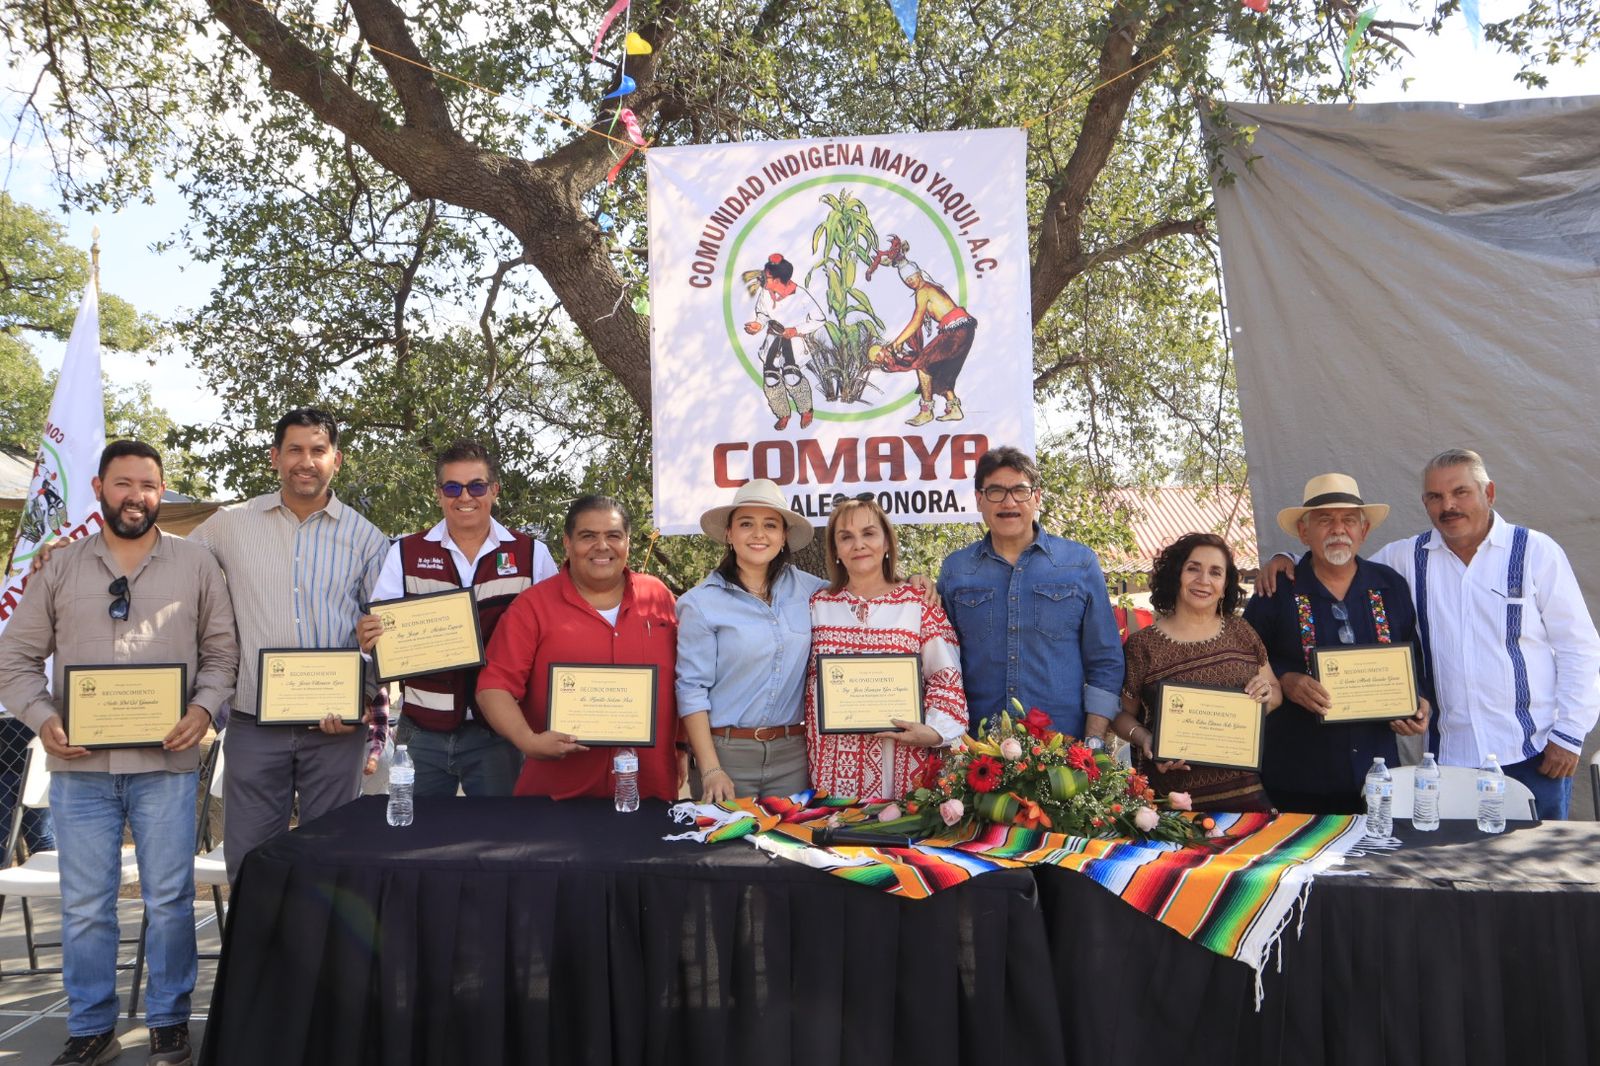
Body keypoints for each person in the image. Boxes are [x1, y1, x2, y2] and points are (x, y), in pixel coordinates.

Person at [0, 440, 238, 1066]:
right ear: (99, 486)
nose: (137, 496)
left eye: (149, 486)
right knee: (84, 906)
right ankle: (90, 1026)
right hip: (80, 769)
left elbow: (222, 654)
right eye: (124, 483)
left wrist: (202, 708)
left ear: (162, 491)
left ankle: (168, 1022)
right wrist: (44, 719)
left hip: (166, 765)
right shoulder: (57, 566)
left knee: (168, 897)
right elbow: (15, 660)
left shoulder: (197, 565)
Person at [1258, 450, 1600, 819]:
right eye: (1435, 497)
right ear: (1424, 503)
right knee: (1456, 871)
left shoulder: (1535, 552)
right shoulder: (1407, 559)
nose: (1448, 505)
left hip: (1532, 754)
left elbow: (1577, 647)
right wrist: (1287, 560)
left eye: (1460, 492)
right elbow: (1338, 560)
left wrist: (1569, 735)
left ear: (1489, 494)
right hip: (1450, 760)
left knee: (1538, 873)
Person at [189, 408, 390, 883]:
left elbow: (387, 632)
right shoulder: (229, 524)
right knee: (253, 863)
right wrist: (80, 552)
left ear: (335, 460)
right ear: (275, 457)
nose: (307, 461)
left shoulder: (366, 537)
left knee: (333, 861)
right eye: (295, 450)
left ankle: (322, 958)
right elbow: (166, 565)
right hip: (254, 724)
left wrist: (362, 699)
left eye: (318, 451)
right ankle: (258, 958)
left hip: (336, 729)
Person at [356, 440, 556, 797]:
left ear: (494, 490)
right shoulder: (405, 552)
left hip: (499, 733)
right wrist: (370, 638)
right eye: (453, 487)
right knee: (417, 841)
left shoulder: (531, 553)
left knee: (498, 841)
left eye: (476, 486)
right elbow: (379, 639)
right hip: (422, 731)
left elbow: (553, 635)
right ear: (438, 494)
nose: (465, 496)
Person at [1244, 474, 1430, 814]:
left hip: (1380, 775)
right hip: (1297, 777)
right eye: (1325, 520)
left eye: (1348, 520)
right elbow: (1243, 660)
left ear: (1364, 531)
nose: (1338, 529)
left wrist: (1418, 705)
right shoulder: (1275, 591)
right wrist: (1284, 678)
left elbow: (1414, 663)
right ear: (1303, 532)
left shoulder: (1390, 587)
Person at [476, 495, 680, 800]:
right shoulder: (533, 606)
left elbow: (688, 677)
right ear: (568, 544)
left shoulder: (658, 597)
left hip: (648, 793)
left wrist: (683, 744)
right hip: (557, 799)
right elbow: (493, 687)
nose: (602, 546)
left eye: (613, 536)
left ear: (627, 543)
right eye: (588, 536)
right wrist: (528, 741)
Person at [936, 446, 1124, 744]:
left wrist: (1093, 743)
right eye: (995, 491)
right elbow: (939, 662)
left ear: (1036, 497)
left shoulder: (1079, 564)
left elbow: (1106, 661)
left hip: (1063, 750)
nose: (1009, 502)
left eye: (1020, 491)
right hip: (976, 750)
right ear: (979, 499)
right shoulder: (956, 570)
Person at [805, 497, 967, 799]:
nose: (858, 545)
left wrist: (933, 732)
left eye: (869, 533)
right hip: (832, 767)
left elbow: (946, 678)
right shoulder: (817, 605)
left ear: (887, 542)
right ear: (836, 550)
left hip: (906, 763)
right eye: (846, 537)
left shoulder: (917, 604)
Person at [1110, 533, 1280, 812]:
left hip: (1244, 800)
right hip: (1168, 807)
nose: (1203, 580)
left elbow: (1275, 693)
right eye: (1193, 568)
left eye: (1215, 572)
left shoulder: (1242, 632)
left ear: (1225, 586)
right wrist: (1145, 739)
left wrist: (1267, 692)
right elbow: (1119, 715)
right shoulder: (1143, 645)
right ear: (1176, 575)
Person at [675, 480, 819, 802]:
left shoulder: (812, 591)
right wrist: (711, 769)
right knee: (728, 848)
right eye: (746, 524)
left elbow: (865, 593)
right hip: (726, 755)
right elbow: (691, 689)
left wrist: (910, 583)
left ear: (783, 537)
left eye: (770, 525)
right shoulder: (700, 603)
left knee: (791, 848)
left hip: (793, 756)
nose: (758, 534)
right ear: (729, 534)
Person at [865, 238, 975, 427]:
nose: (910, 282)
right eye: (907, 281)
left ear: (918, 274)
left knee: (923, 365)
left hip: (956, 331)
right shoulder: (928, 289)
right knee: (940, 373)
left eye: (912, 278)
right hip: (964, 331)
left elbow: (916, 321)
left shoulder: (924, 290)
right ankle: (954, 408)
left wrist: (896, 343)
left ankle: (926, 412)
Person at [744, 254, 824, 430]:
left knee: (792, 376)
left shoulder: (800, 294)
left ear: (779, 279)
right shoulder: (765, 292)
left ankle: (806, 410)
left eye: (768, 276)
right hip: (773, 339)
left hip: (793, 342)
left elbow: (819, 319)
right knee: (771, 379)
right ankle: (783, 413)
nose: (763, 278)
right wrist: (758, 324)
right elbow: (763, 314)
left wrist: (795, 330)